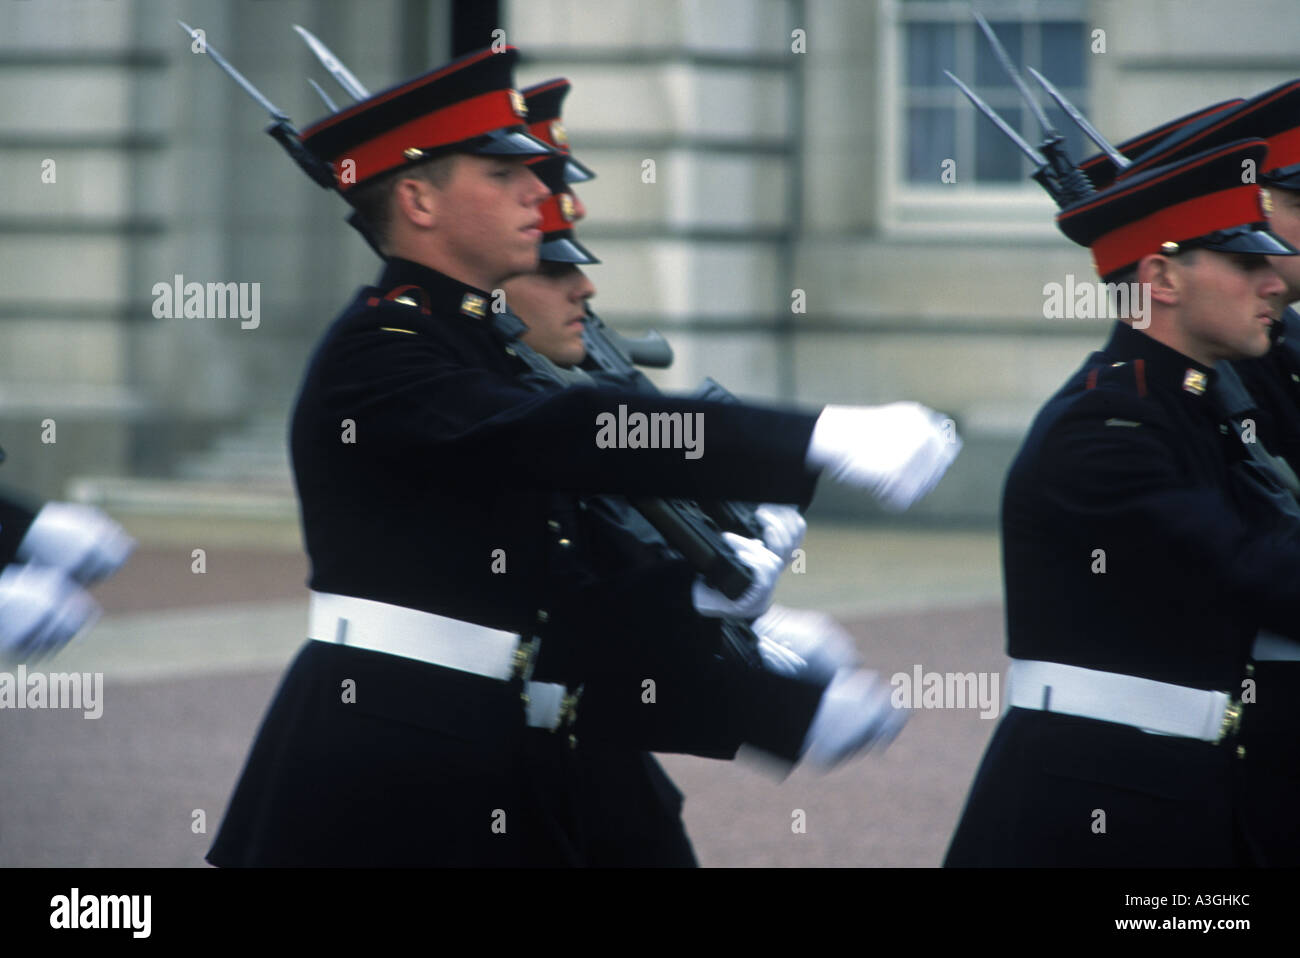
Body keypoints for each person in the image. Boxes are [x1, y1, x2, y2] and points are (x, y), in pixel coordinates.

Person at [205, 46, 960, 866]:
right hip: (387, 762)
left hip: (493, 748)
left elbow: (557, 603)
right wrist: (818, 437)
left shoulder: (475, 350)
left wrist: (701, 601)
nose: (537, 191)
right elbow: (575, 432)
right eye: (500, 176)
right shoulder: (384, 352)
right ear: (418, 199)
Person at [944, 138, 1300, 866]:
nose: (1276, 284)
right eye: (1246, 264)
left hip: (1186, 786)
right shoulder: (1106, 428)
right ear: (1161, 278)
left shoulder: (1196, 409)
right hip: (1090, 802)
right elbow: (1254, 571)